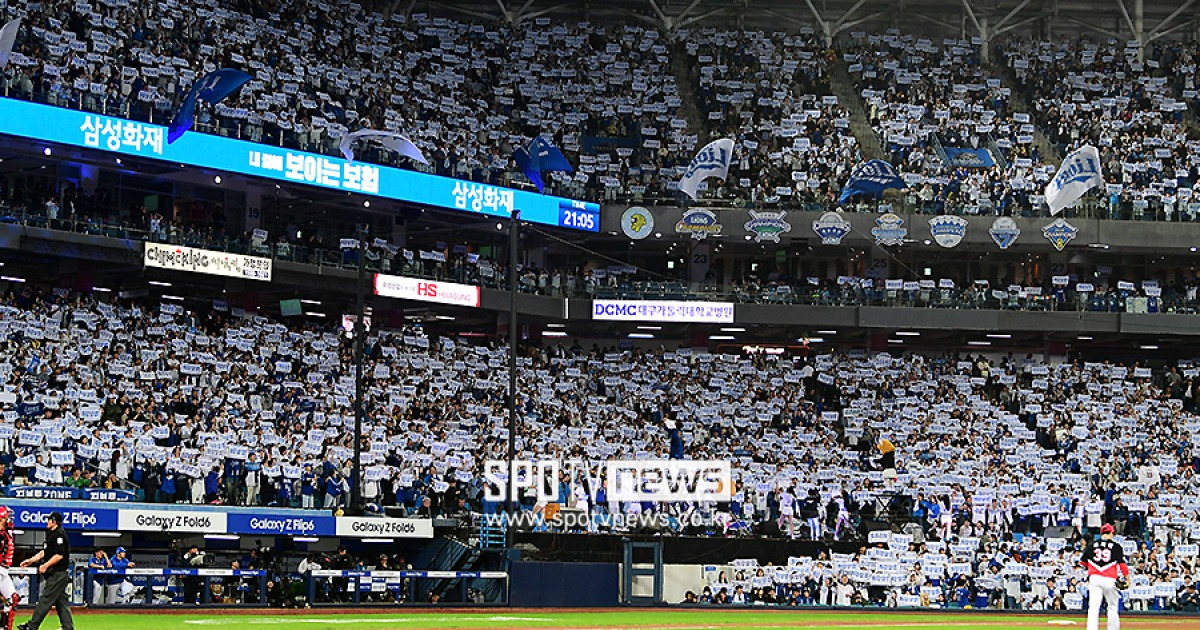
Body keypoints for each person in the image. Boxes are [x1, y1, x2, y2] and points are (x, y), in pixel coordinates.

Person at [17, 511, 73, 630]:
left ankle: (32, 626)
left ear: (54, 521)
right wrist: (31, 560)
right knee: (61, 602)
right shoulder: (51, 534)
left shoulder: (59, 535)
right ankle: (68, 627)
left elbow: (59, 555)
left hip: (58, 574)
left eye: (49, 520)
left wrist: (45, 566)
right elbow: (45, 552)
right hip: (56, 574)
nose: (46, 522)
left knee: (45, 600)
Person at [1081, 523, 1128, 630]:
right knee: (1112, 606)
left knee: (1093, 607)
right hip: (1110, 578)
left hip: (1095, 578)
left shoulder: (1091, 545)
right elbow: (1122, 564)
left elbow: (1083, 563)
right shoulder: (1116, 547)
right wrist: (1127, 578)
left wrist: (1093, 566)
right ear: (1111, 533)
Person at [0, 507, 19, 630]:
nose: (9, 520)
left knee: (13, 599)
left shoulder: (6, 533)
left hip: (3, 571)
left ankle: (5, 627)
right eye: (6, 517)